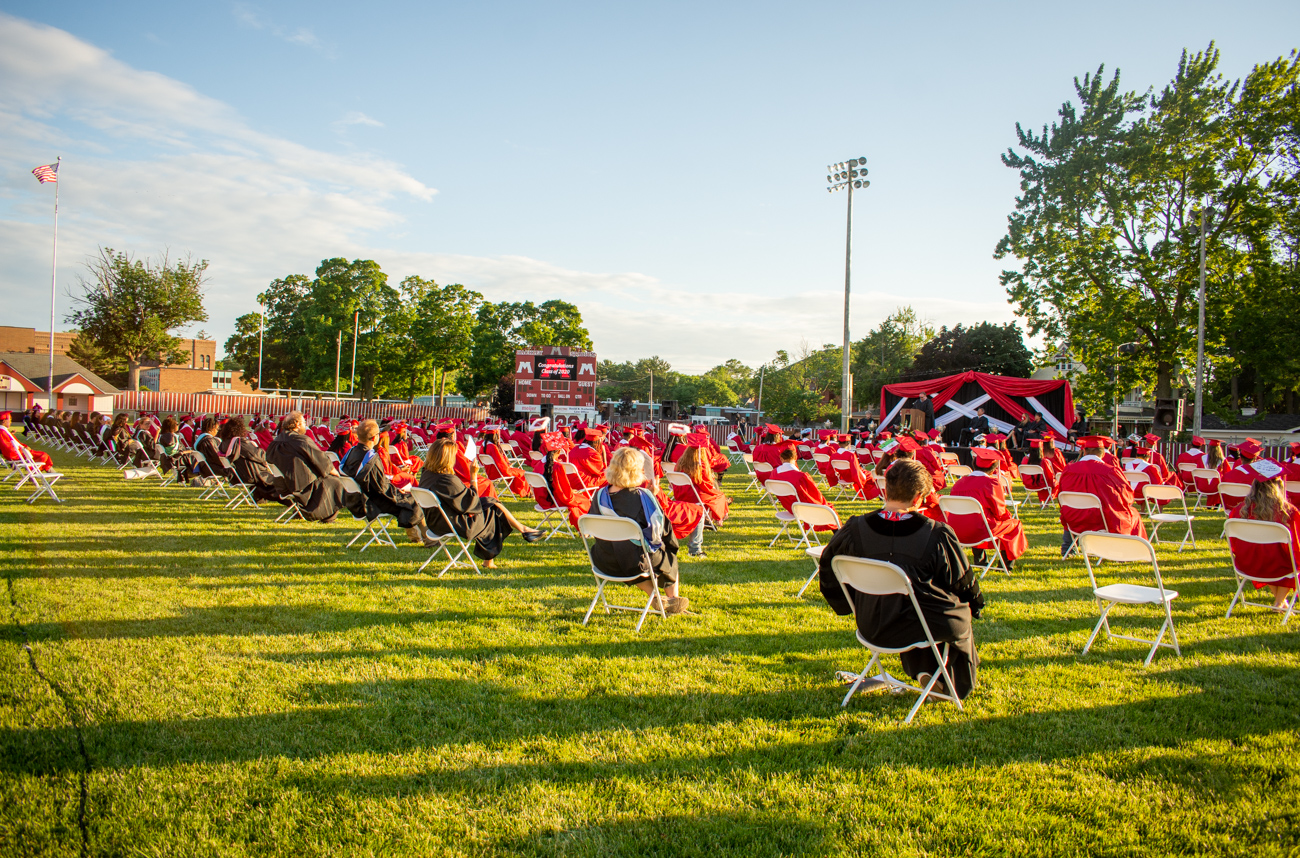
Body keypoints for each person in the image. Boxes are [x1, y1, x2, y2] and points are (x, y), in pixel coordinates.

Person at [818, 458, 983, 700]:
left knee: (912, 604)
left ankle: (924, 673)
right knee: (951, 613)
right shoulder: (936, 534)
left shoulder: (855, 528)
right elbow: (961, 582)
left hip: (871, 622)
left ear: (885, 489)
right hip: (918, 626)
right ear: (918, 498)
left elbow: (828, 566)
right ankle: (949, 685)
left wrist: (852, 603)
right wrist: (975, 604)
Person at [588, 446, 689, 616]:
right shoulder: (642, 497)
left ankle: (657, 597)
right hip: (635, 563)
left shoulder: (599, 496)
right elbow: (660, 532)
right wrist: (653, 497)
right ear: (636, 470)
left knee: (626, 551)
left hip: (604, 562)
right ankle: (672, 599)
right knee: (666, 553)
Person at [419, 438, 541, 568]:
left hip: (435, 522)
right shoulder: (448, 480)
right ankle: (489, 561)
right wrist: (473, 477)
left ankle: (522, 528)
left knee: (490, 501)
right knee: (493, 513)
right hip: (453, 525)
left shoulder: (426, 474)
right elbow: (472, 504)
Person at [341, 419, 431, 544]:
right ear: (374, 438)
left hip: (354, 499)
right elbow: (382, 487)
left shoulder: (351, 452)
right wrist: (399, 491)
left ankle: (416, 537)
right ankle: (428, 540)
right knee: (413, 500)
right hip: (371, 501)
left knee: (407, 498)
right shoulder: (370, 458)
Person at [1227, 460, 1300, 612]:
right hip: (1279, 566)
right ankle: (1279, 603)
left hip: (1249, 564)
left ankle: (1280, 602)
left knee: (1272, 556)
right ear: (1279, 486)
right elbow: (1296, 548)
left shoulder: (1240, 510)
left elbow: (1235, 543)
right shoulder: (1288, 512)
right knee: (1288, 559)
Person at [1057, 436, 1146, 553]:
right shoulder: (1110, 471)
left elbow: (1061, 495)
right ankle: (1124, 552)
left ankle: (1068, 547)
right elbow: (1127, 496)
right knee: (1132, 513)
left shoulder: (1069, 469)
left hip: (1074, 518)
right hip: (1101, 520)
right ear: (1103, 454)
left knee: (1070, 510)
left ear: (1084, 451)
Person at [948, 447, 1028, 568]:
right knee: (1014, 525)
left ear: (974, 464)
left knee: (975, 519)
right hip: (979, 530)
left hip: (957, 530)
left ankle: (980, 560)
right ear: (994, 469)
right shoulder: (992, 483)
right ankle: (1004, 566)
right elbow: (1000, 512)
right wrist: (1008, 517)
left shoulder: (959, 483)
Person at [266, 411, 353, 522]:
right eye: (304, 422)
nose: (305, 425)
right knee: (336, 482)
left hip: (282, 484)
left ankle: (299, 511)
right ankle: (328, 517)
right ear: (297, 424)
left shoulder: (276, 441)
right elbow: (322, 462)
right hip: (302, 486)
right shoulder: (302, 441)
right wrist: (336, 473)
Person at [767, 443, 838, 532]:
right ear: (796, 457)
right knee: (829, 509)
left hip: (789, 507)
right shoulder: (801, 476)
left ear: (781, 457)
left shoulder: (774, 473)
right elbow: (815, 497)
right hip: (802, 508)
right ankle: (839, 536)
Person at [672, 433, 730, 524]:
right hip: (694, 496)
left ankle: (710, 517)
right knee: (719, 496)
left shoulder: (680, 462)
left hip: (679, 494)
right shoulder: (700, 465)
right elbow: (706, 486)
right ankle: (715, 518)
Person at [217, 415, 277, 499]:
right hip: (248, 476)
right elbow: (258, 455)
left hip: (235, 476)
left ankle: (258, 497)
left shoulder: (224, 443)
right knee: (275, 481)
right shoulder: (240, 443)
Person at [1020, 438, 1057, 504]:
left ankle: (1043, 502)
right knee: (1053, 483)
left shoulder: (1024, 459)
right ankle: (1045, 502)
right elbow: (1049, 476)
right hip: (1041, 484)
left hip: (1028, 484)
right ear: (1041, 450)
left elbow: (1022, 475)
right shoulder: (1044, 461)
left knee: (1042, 481)